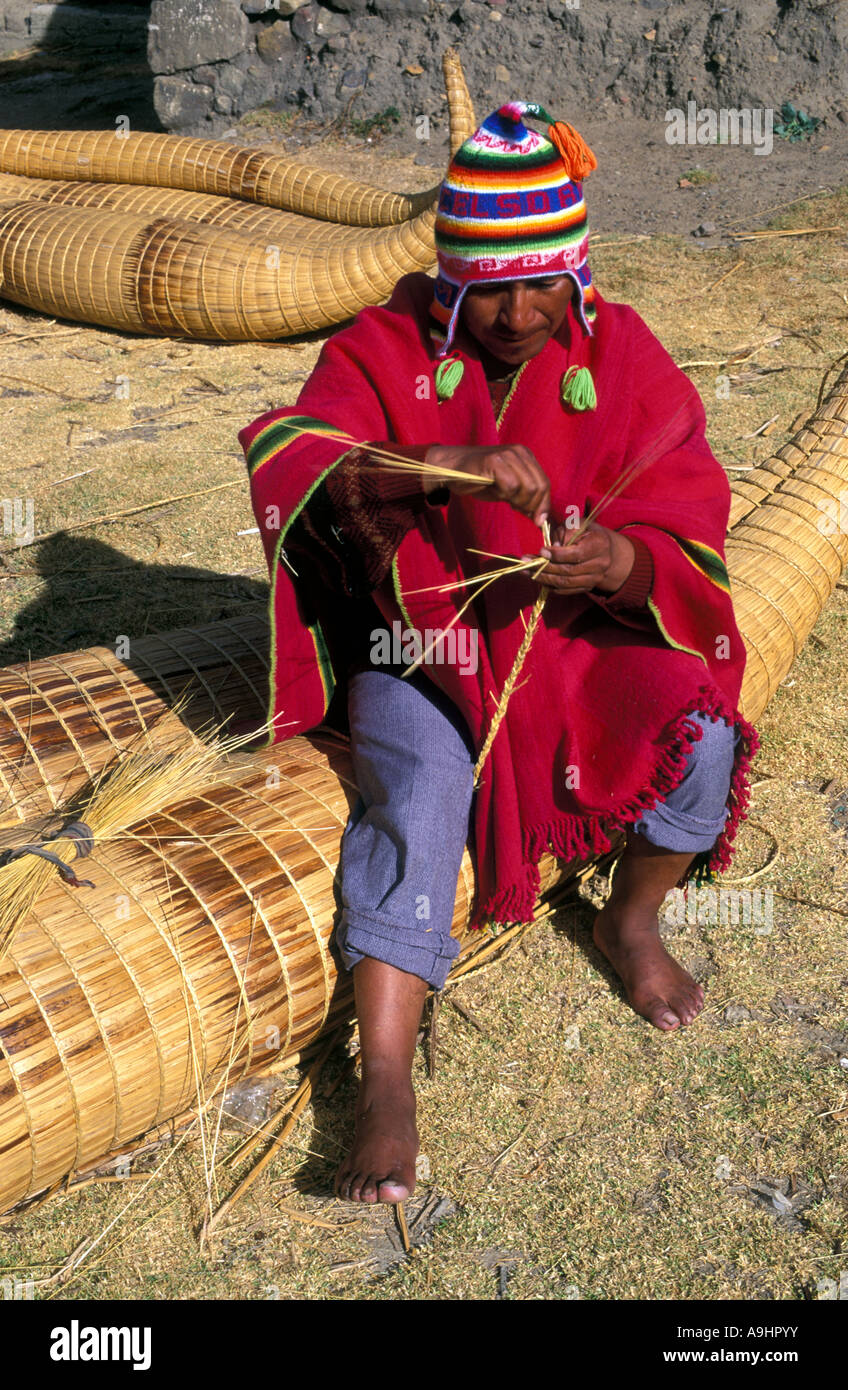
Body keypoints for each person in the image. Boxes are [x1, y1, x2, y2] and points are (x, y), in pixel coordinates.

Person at [239, 101, 759, 1206]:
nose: (517, 314)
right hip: (426, 642)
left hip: (567, 639)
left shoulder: (617, 353)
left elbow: (684, 504)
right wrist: (436, 462)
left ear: (574, 272)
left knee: (698, 733)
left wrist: (619, 562)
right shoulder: (381, 346)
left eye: (540, 285)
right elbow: (296, 457)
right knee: (418, 792)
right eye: (489, 289)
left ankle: (629, 916)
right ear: (447, 278)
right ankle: (384, 1076)